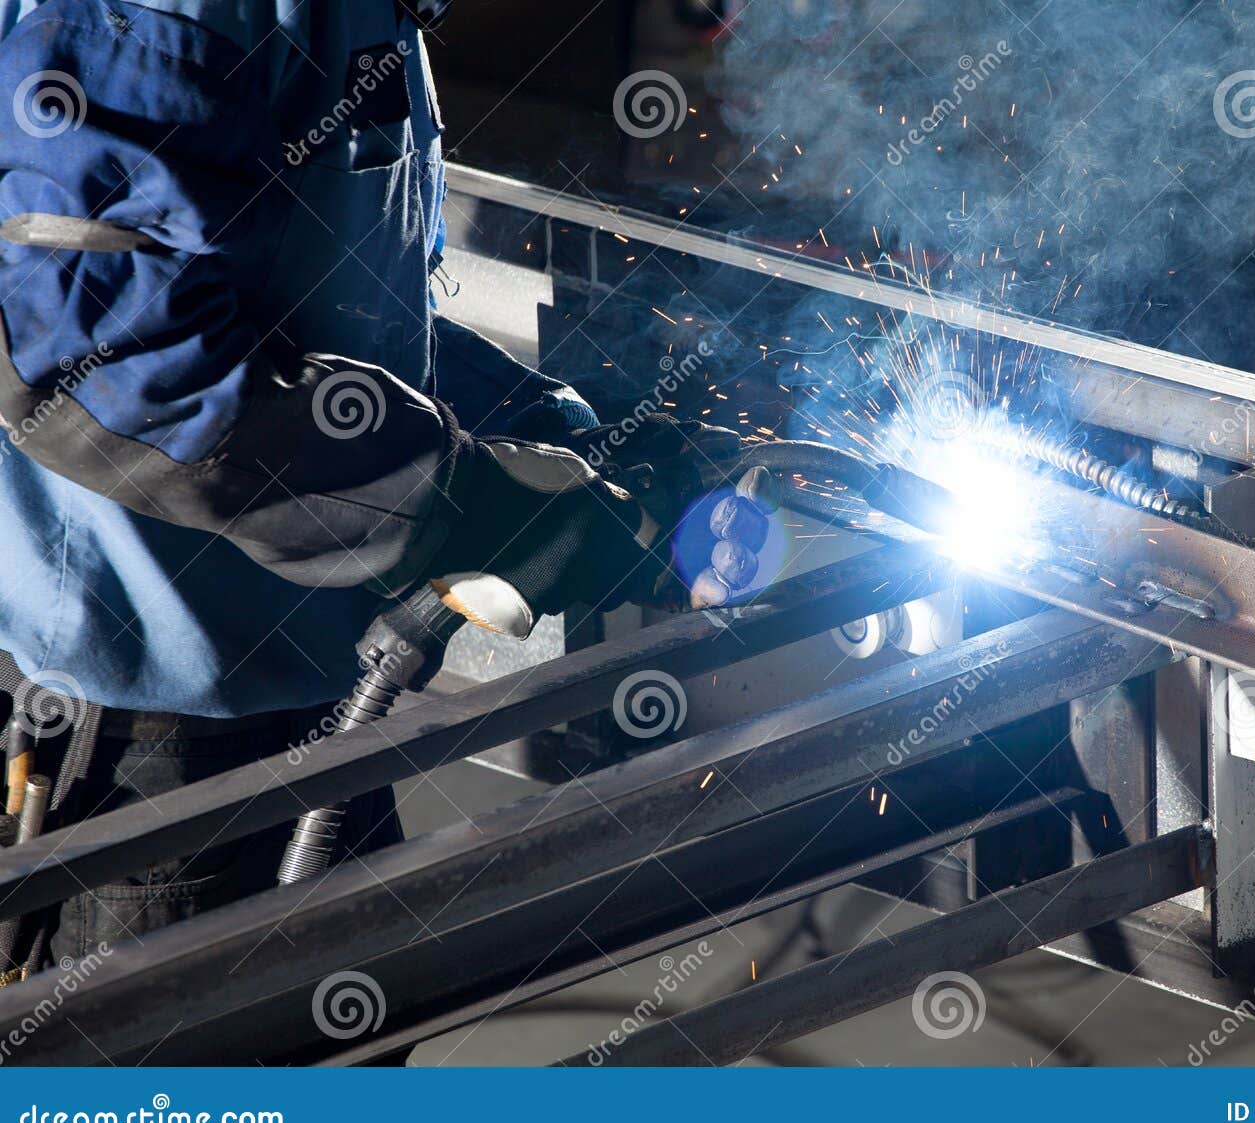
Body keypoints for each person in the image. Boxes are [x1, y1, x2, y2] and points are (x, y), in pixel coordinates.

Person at [0, 0, 762, 969]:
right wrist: (460, 502)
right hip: (161, 775)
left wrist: (567, 437)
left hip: (318, 720)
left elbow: (336, 322)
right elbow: (92, 353)